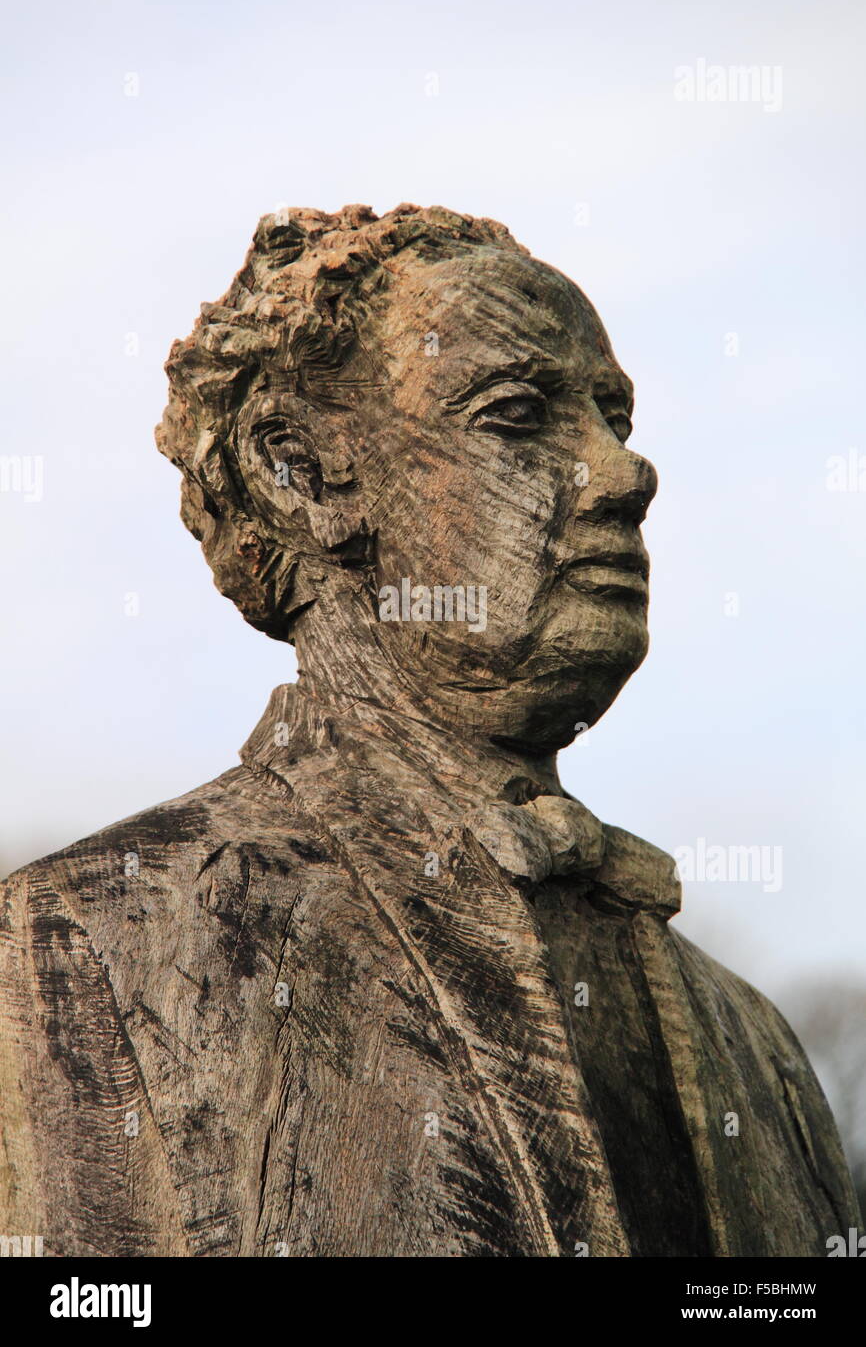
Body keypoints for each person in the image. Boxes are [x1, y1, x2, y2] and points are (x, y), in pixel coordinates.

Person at [0, 204, 858, 1256]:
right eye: (514, 415)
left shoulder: (755, 1046)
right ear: (301, 472)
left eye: (612, 420)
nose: (625, 475)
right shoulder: (82, 939)